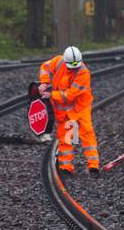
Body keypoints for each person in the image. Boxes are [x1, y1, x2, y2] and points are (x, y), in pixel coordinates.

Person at [37, 45, 99, 175]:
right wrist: (44, 82)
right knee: (65, 137)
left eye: (77, 65)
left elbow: (70, 95)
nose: (75, 67)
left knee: (87, 134)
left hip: (80, 108)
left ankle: (93, 166)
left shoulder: (83, 73)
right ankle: (66, 168)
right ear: (65, 61)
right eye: (72, 65)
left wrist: (51, 95)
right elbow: (45, 67)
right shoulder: (58, 62)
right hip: (64, 111)